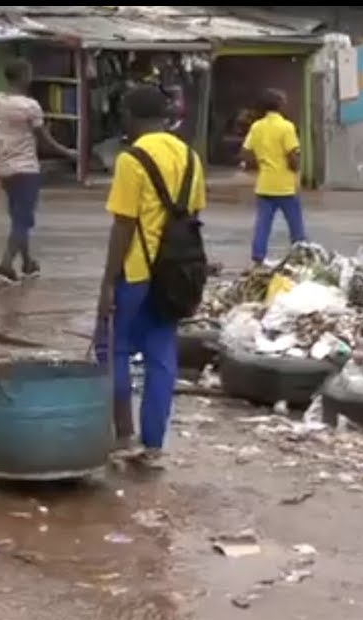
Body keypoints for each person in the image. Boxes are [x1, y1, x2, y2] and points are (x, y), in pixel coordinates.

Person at [93, 86, 205, 468]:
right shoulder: (190, 157)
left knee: (115, 349)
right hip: (176, 272)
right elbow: (192, 213)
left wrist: (108, 282)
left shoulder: (132, 160)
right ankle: (153, 444)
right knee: (161, 356)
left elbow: (123, 225)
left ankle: (122, 437)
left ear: (131, 116)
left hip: (137, 270)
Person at [0, 58, 80, 284]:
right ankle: (5, 265)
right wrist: (68, 152)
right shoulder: (30, 106)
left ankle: (28, 263)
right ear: (23, 76)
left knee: (19, 218)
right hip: (27, 168)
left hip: (4, 168)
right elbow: (45, 140)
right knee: (23, 220)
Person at [241, 88, 305, 265]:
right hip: (285, 186)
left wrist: (260, 162)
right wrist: (296, 168)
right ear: (279, 105)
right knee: (295, 225)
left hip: (264, 184)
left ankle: (258, 256)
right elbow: (293, 155)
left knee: (263, 225)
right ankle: (301, 255)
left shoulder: (256, 127)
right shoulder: (286, 127)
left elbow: (245, 153)